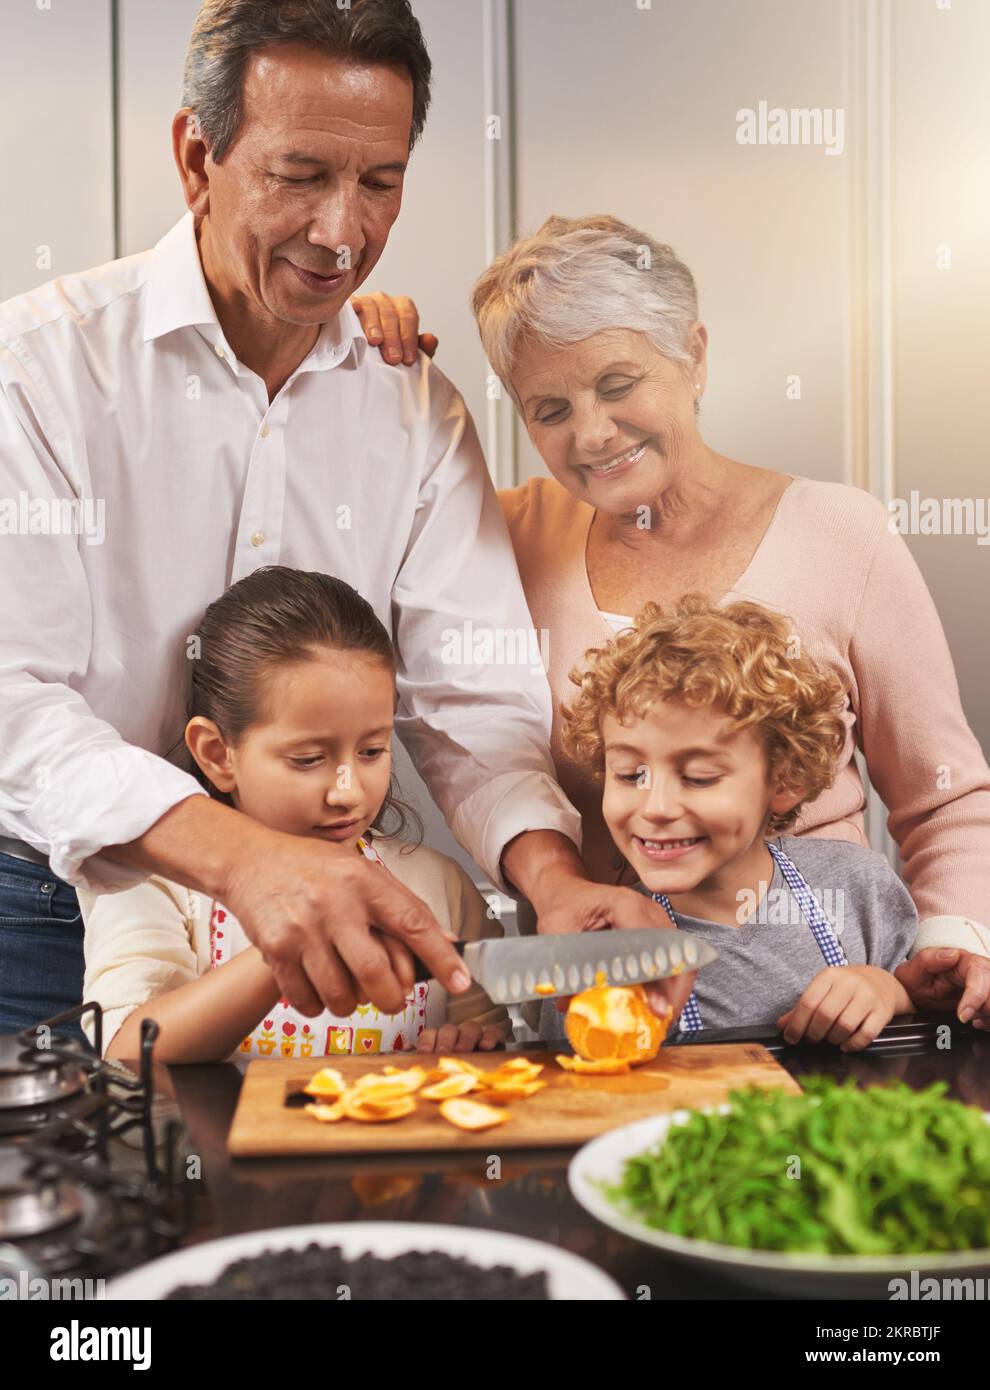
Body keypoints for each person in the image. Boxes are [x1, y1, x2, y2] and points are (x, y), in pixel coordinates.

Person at [0, 4, 679, 1042]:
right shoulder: (39, 370)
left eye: (379, 182)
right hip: (40, 911)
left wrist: (552, 879)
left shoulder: (411, 403)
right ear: (198, 156)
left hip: (338, 910)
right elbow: (15, 695)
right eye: (301, 174)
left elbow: (475, 695)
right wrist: (246, 859)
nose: (341, 233)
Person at [458, 212, 990, 1026]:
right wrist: (358, 351)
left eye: (617, 384)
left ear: (694, 357)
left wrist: (941, 955)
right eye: (550, 409)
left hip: (836, 1010)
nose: (592, 435)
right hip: (613, 1018)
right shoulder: (505, 541)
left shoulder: (842, 533)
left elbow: (943, 795)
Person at [79, 568, 511, 1063]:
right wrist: (287, 944)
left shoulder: (440, 886)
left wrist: (467, 1042)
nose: (346, 794)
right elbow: (127, 1049)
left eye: (371, 751)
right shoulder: (149, 879)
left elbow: (488, 1032)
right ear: (218, 754)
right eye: (308, 759)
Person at [553, 595, 919, 1051]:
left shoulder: (858, 885)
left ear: (783, 779)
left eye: (699, 777)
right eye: (631, 775)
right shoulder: (608, 943)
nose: (657, 807)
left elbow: (941, 1012)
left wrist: (889, 991)